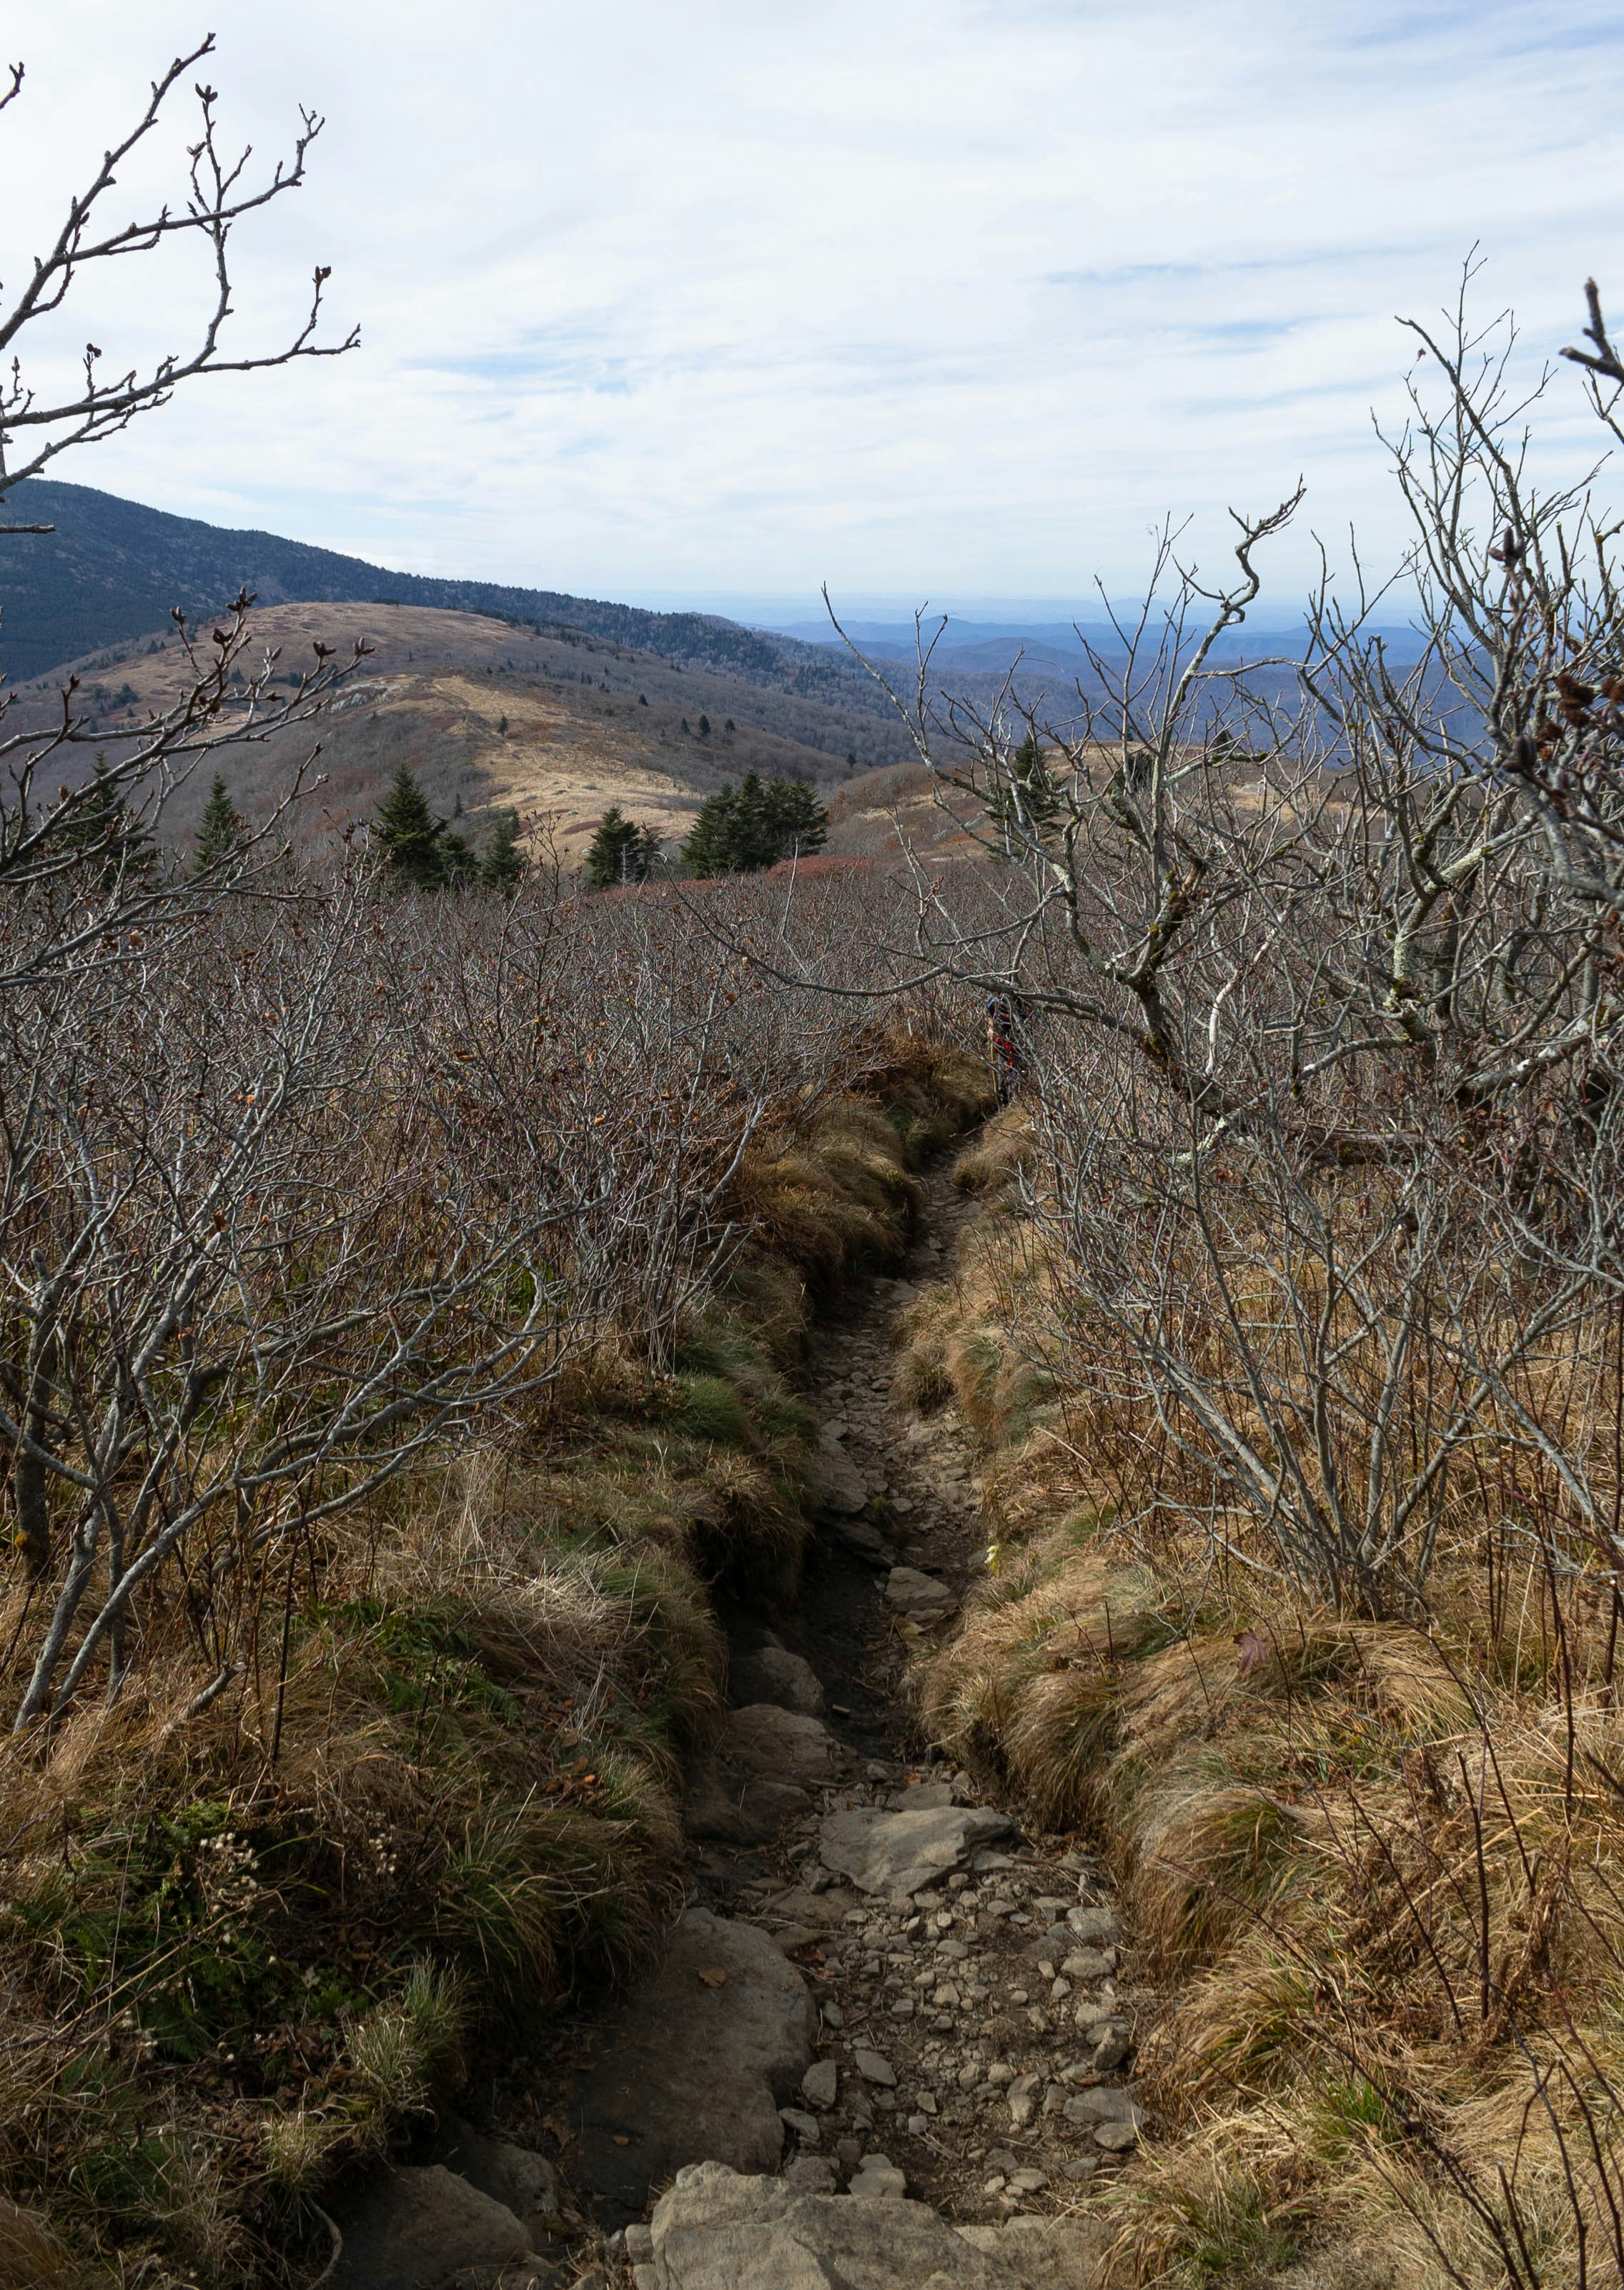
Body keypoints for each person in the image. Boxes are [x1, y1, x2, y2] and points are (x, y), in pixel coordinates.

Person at [986, 993, 1024, 1103]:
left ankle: (1017, 1102)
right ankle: (1005, 1103)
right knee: (1004, 1077)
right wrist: (991, 1031)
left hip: (1020, 1046)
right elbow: (990, 1019)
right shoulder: (992, 1001)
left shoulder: (1020, 1000)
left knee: (1017, 1075)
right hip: (1003, 1044)